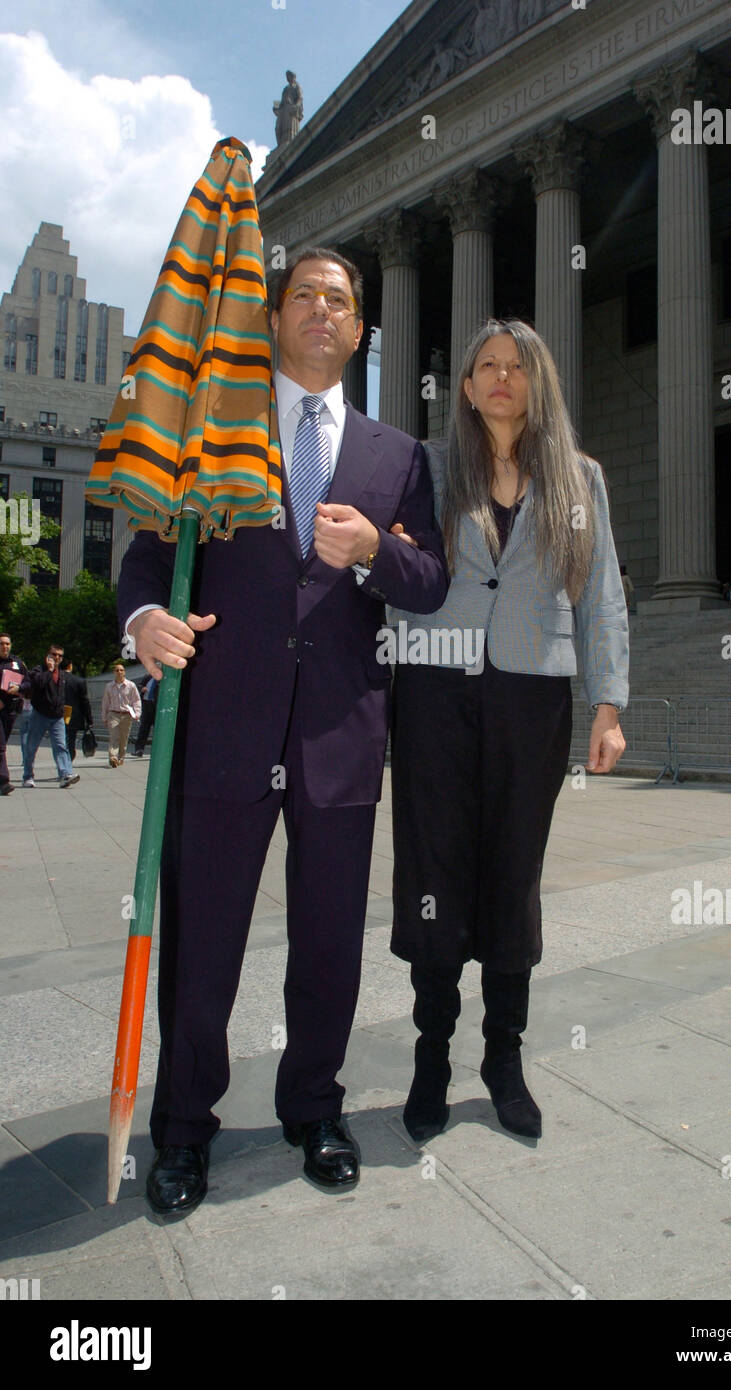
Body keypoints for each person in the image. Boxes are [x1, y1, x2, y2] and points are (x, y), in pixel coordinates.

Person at [117, 246, 447, 1215]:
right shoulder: (214, 434)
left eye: (338, 300)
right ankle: (183, 1128)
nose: (319, 309)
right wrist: (143, 625)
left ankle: (315, 1104)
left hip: (342, 737)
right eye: (301, 294)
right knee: (203, 935)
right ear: (270, 320)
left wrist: (374, 549)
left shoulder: (400, 458)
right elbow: (145, 558)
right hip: (224, 726)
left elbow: (429, 583)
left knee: (329, 939)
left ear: (360, 331)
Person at [387, 319, 628, 1144]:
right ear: (463, 385)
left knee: (512, 872)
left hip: (532, 694)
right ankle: (429, 1057)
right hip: (432, 690)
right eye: (484, 366)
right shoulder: (424, 466)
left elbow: (599, 595)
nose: (499, 378)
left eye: (515, 367)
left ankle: (503, 1057)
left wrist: (608, 704)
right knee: (433, 864)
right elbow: (397, 568)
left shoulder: (578, 477)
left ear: (537, 382)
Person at [20, 644, 80, 789]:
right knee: (31, 747)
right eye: (54, 654)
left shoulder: (62, 673)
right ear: (48, 655)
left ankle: (65, 774)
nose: (57, 658)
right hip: (40, 715)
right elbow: (38, 683)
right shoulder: (38, 670)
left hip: (57, 716)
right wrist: (50, 670)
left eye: (60, 655)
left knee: (60, 746)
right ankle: (28, 776)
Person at [0, 632, 26, 795]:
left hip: (10, 710)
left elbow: (29, 682)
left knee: (2, 744)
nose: (5, 646)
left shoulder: (17, 663)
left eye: (7, 644)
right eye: (2, 643)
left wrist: (20, 688)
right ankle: (4, 781)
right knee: (0, 747)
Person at [101, 663, 141, 767]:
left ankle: (121, 757)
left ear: (124, 672)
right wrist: (104, 716)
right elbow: (105, 702)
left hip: (126, 715)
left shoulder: (131, 685)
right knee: (114, 736)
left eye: (121, 670)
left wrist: (137, 713)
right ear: (114, 672)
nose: (119, 672)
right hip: (113, 714)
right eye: (117, 670)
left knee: (124, 738)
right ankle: (113, 757)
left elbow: (136, 700)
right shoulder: (109, 686)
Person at [62, 659, 93, 763]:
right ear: (70, 666)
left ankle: (63, 764)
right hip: (73, 716)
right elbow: (85, 701)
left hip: (56, 715)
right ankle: (68, 763)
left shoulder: (54, 679)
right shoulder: (78, 681)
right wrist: (89, 719)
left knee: (59, 740)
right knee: (71, 740)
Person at [132, 674, 158, 756]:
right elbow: (140, 685)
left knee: (157, 729)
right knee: (143, 728)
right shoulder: (148, 677)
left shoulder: (163, 678)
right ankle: (139, 749)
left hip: (157, 706)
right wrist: (142, 688)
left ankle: (157, 750)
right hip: (147, 704)